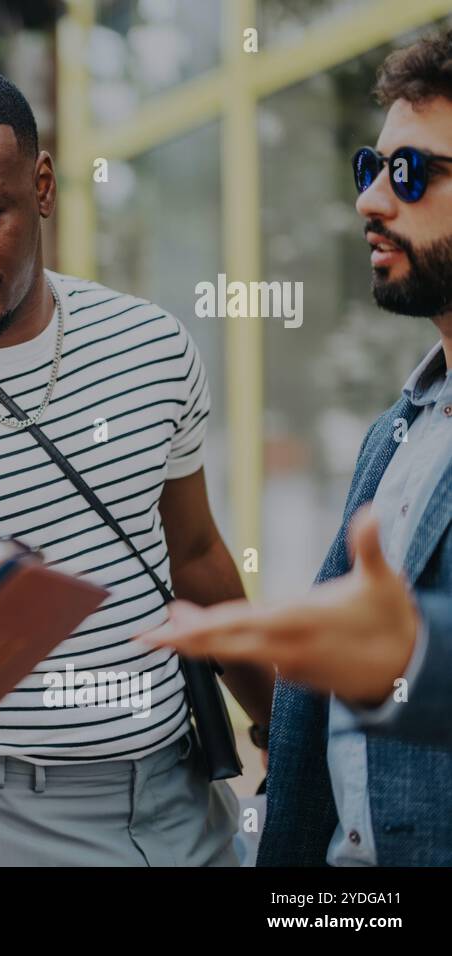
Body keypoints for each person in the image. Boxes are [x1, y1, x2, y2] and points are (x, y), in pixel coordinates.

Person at [0, 67, 275, 866]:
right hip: (3, 818)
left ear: (41, 187)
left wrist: (283, 730)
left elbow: (197, 553)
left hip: (186, 795)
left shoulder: (151, 346)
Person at [146, 30, 452, 867]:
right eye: (371, 167)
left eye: (413, 173)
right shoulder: (403, 428)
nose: (371, 201)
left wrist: (414, 655)